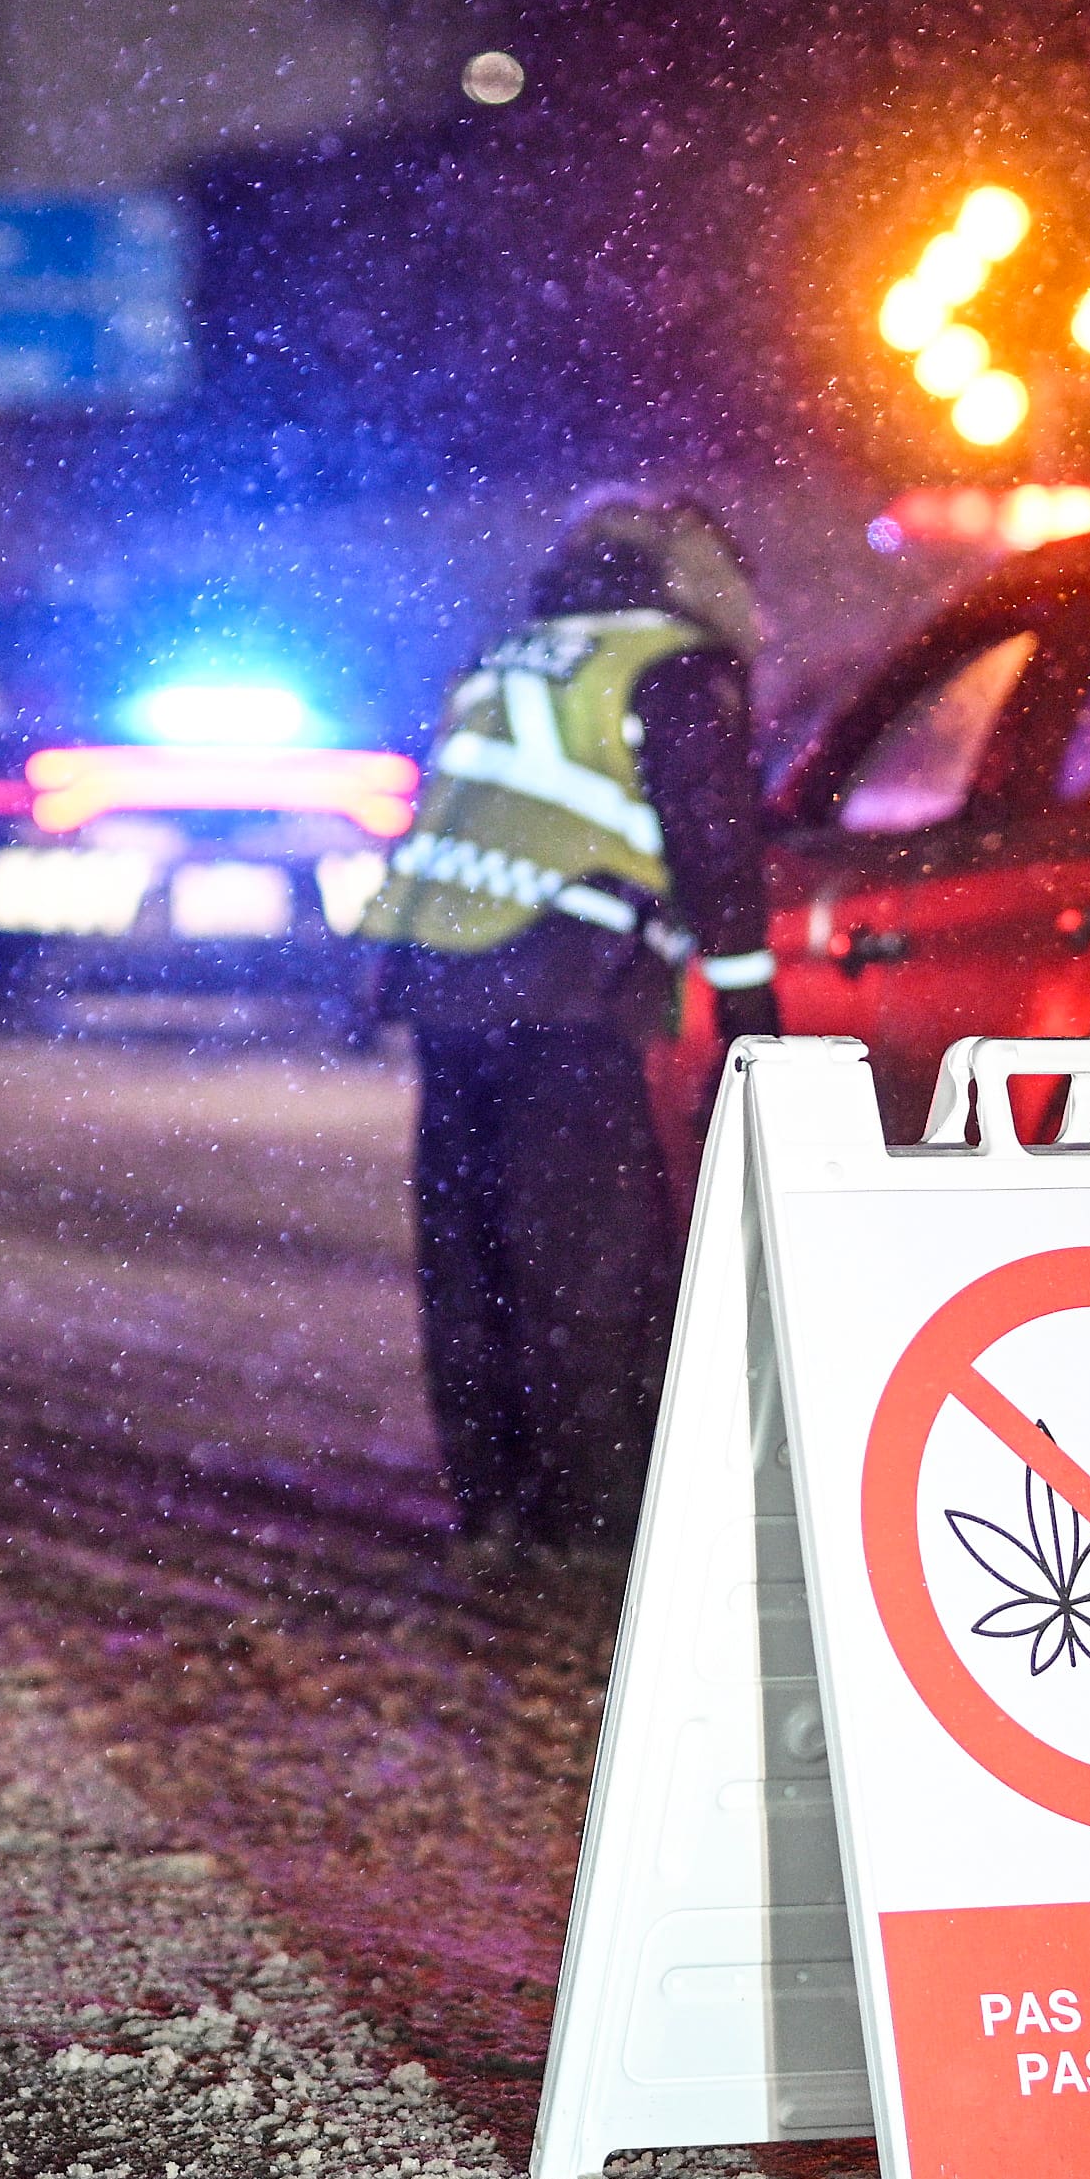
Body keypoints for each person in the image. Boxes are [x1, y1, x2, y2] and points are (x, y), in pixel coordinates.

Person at [353, 485, 774, 1580]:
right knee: (588, 1262)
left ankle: (492, 1497)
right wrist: (752, 1021)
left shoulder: (514, 656)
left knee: (472, 1250)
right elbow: (714, 855)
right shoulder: (674, 666)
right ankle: (593, 1518)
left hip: (447, 979)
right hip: (561, 990)